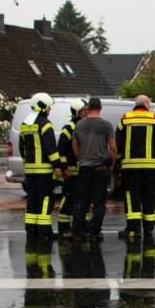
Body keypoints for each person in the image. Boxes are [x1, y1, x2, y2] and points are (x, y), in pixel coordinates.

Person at [116, 95, 155, 239]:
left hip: (130, 167)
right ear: (145, 104)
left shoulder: (125, 118)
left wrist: (119, 160)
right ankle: (149, 228)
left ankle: (133, 229)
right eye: (149, 104)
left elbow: (117, 142)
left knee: (132, 197)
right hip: (151, 167)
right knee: (149, 195)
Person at [72, 97, 117, 241]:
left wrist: (81, 157)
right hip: (101, 168)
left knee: (82, 199)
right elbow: (113, 148)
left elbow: (74, 145)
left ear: (88, 109)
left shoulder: (79, 125)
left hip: (85, 167)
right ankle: (94, 232)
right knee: (99, 201)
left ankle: (78, 231)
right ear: (100, 108)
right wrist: (112, 164)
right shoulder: (106, 125)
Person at [19, 92, 63, 239]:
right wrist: (58, 165)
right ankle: (44, 232)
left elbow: (21, 148)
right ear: (43, 107)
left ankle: (31, 230)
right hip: (44, 171)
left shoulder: (25, 124)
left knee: (32, 200)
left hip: (30, 172)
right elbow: (50, 148)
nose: (50, 110)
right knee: (45, 200)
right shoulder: (45, 124)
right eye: (49, 107)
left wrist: (27, 164)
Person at [55, 98, 87, 238]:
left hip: (84, 171)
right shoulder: (69, 128)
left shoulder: (86, 127)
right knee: (69, 199)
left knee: (84, 200)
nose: (86, 113)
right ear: (77, 112)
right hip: (71, 172)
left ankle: (80, 228)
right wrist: (63, 167)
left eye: (87, 110)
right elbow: (61, 149)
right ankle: (64, 229)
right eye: (83, 111)